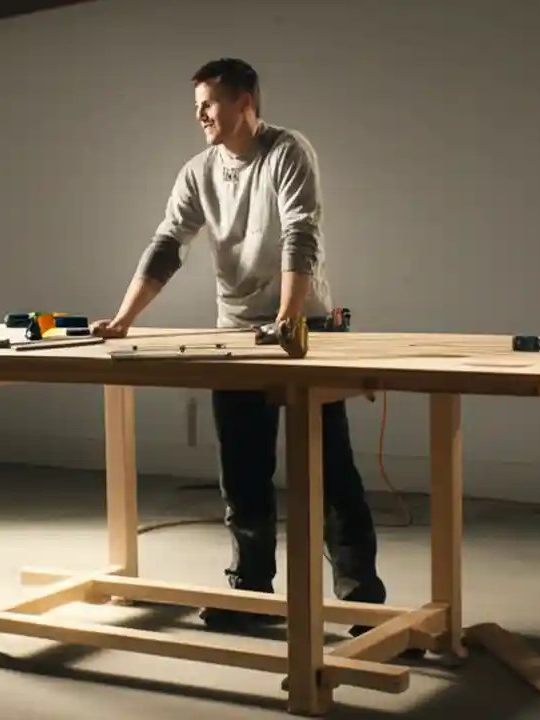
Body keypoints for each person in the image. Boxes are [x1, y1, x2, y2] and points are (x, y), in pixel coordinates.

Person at [90, 58, 386, 635]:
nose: (200, 114)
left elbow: (302, 230)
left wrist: (287, 317)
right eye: (196, 105)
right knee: (243, 471)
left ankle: (362, 601)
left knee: (329, 471)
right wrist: (124, 319)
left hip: (302, 327)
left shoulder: (287, 152)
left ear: (246, 99)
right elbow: (169, 242)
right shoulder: (198, 171)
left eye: (210, 102)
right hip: (234, 330)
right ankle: (250, 590)